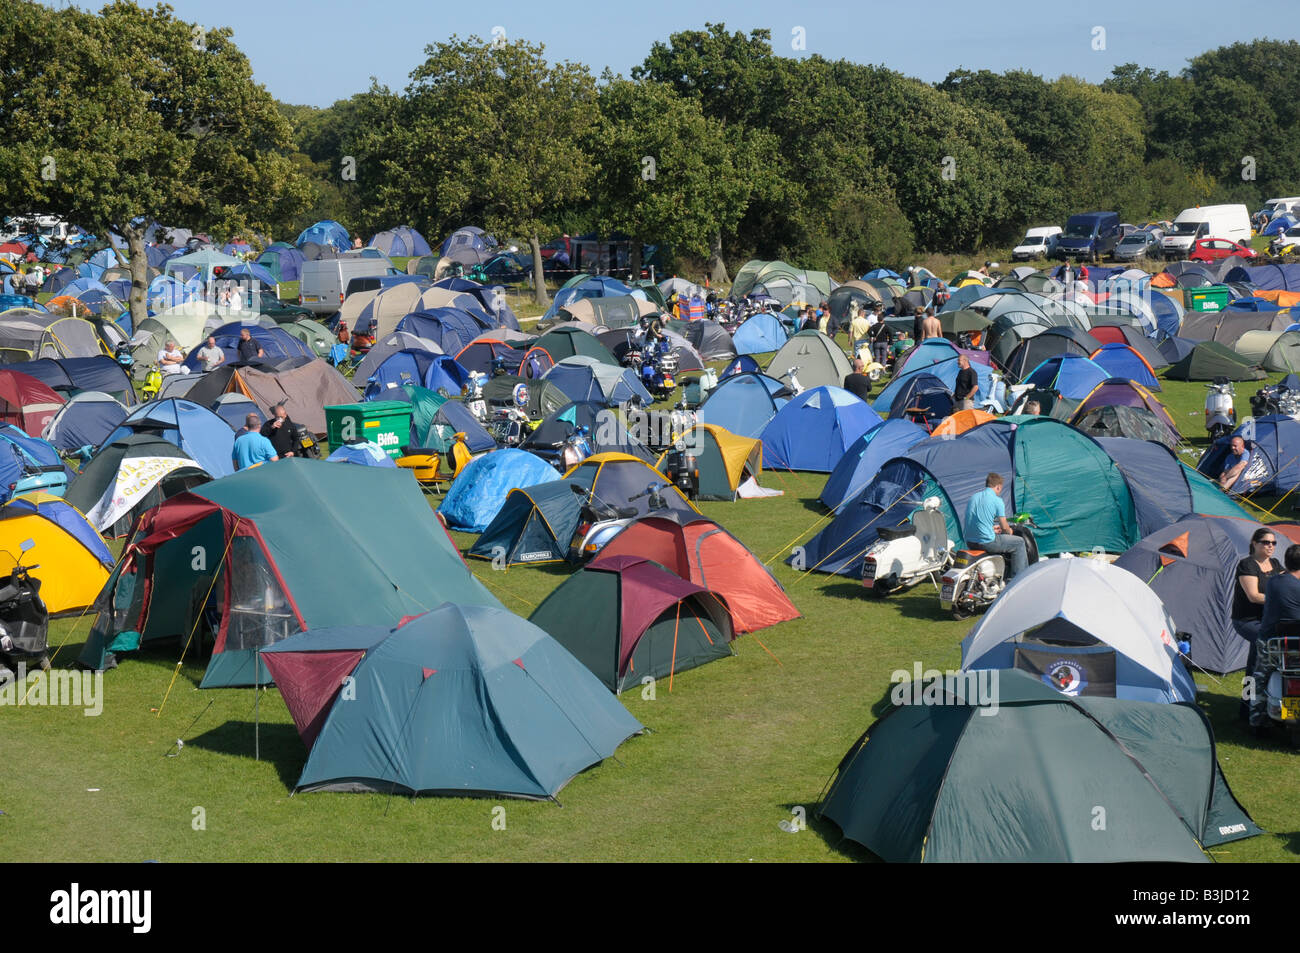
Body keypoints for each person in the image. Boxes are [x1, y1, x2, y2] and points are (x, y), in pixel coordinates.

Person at [1234, 527, 1283, 719]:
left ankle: (1248, 706)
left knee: (1254, 663)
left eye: (1273, 543)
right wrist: (1279, 599)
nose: (1270, 546)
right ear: (1254, 543)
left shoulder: (1276, 565)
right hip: (1247, 621)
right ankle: (1254, 708)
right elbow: (1253, 596)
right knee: (1263, 658)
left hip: (1268, 622)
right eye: (1266, 542)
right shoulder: (1247, 565)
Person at [1251, 543, 1300, 726]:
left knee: (1258, 679)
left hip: (1272, 644)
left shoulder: (1273, 582)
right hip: (1296, 645)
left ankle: (1255, 721)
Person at [964, 472, 1028, 581]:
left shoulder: (974, 497)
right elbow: (1004, 527)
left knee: (1004, 540)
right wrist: (1010, 531)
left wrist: (992, 528)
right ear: (998, 486)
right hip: (986, 542)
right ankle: (1017, 580)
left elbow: (976, 519)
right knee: (1019, 542)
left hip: (970, 541)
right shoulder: (997, 501)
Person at [869, 303, 891, 369]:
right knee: (884, 356)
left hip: (877, 342)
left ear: (877, 319)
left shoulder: (874, 326)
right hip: (884, 342)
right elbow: (890, 334)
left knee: (877, 357)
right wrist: (890, 343)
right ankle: (883, 368)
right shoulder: (886, 326)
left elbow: (869, 330)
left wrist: (872, 336)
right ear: (883, 319)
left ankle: (877, 369)